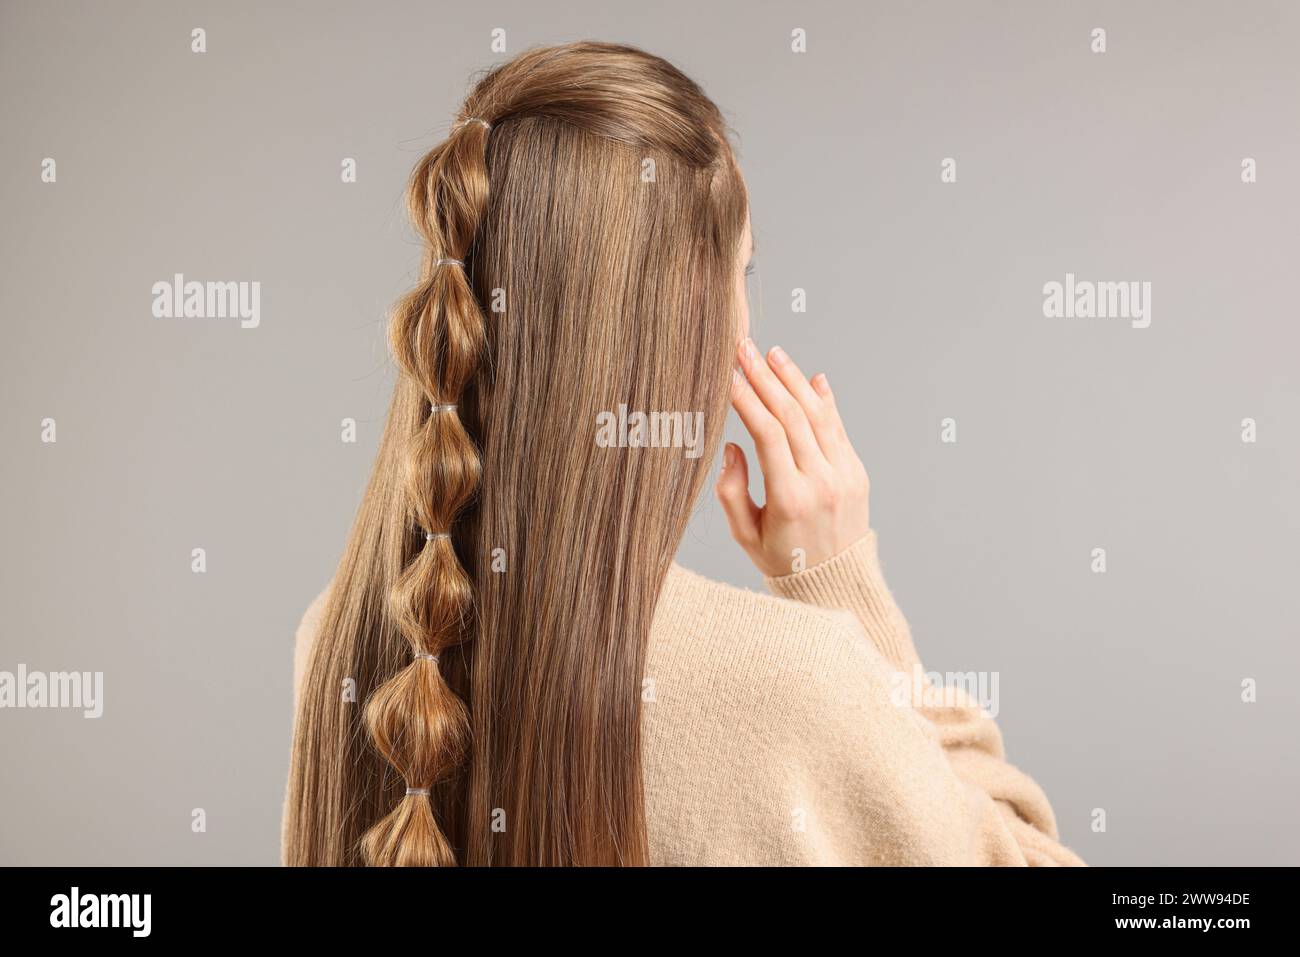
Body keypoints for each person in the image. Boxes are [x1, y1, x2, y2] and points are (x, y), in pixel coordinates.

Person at [283, 40, 1084, 867]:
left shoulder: (344, 644)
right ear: (692, 325)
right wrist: (846, 585)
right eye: (741, 271)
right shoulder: (791, 685)